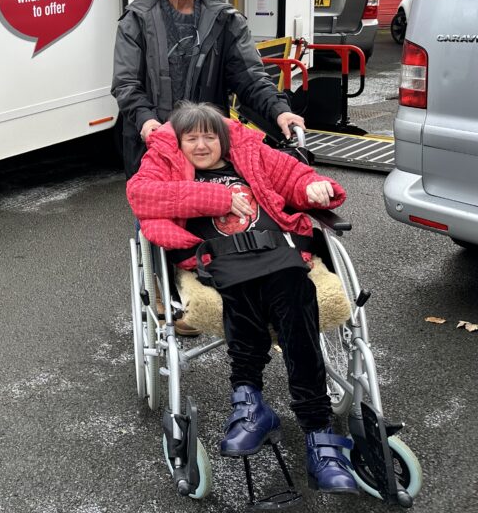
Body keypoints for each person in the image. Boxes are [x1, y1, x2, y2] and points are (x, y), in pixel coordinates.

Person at [128, 101, 358, 495]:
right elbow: (141, 195)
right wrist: (216, 199)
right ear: (178, 142)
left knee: (296, 291)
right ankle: (252, 402)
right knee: (240, 288)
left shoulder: (251, 155)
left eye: (209, 136)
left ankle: (314, 430)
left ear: (224, 138)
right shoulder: (164, 163)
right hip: (217, 260)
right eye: (191, 137)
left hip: (279, 254)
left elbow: (296, 177)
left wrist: (314, 188)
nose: (201, 145)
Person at [111, 0, 304, 180]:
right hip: (154, 145)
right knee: (154, 214)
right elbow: (126, 84)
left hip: (207, 144)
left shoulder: (225, 19)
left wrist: (279, 110)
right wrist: (146, 121)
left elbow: (251, 78)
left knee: (213, 214)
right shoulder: (137, 18)